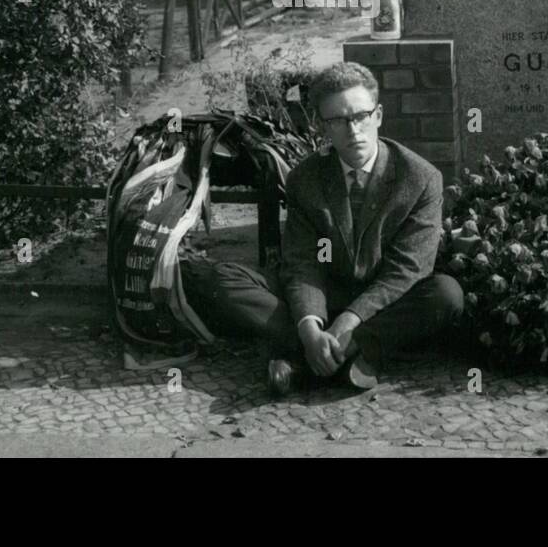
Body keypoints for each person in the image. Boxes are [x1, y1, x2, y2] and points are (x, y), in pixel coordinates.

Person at [189, 61, 464, 395]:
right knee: (224, 279)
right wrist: (309, 326)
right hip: (326, 292)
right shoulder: (305, 178)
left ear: (378, 115)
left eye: (361, 116)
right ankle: (346, 354)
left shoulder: (420, 178)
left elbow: (408, 270)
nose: (353, 130)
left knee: (446, 294)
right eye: (338, 121)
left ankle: (308, 361)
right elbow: (304, 262)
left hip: (383, 304)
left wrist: (349, 320)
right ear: (323, 127)